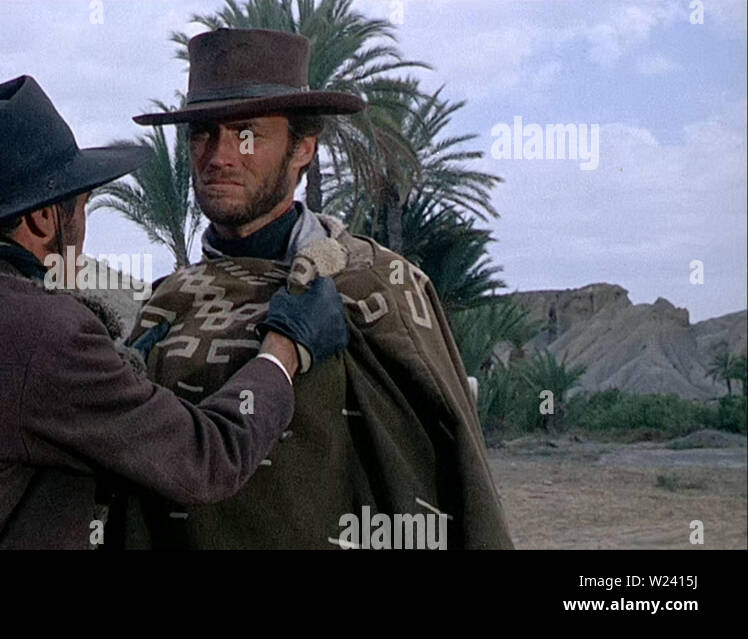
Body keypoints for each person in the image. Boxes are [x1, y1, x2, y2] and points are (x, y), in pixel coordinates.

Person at [0, 75, 349, 549]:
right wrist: (283, 348)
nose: (82, 230)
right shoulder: (43, 335)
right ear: (43, 220)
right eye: (80, 207)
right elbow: (208, 460)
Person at [117, 29, 514, 549]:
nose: (218, 156)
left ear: (303, 148)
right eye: (202, 134)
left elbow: (456, 470)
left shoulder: (380, 288)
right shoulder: (164, 305)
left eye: (246, 134)